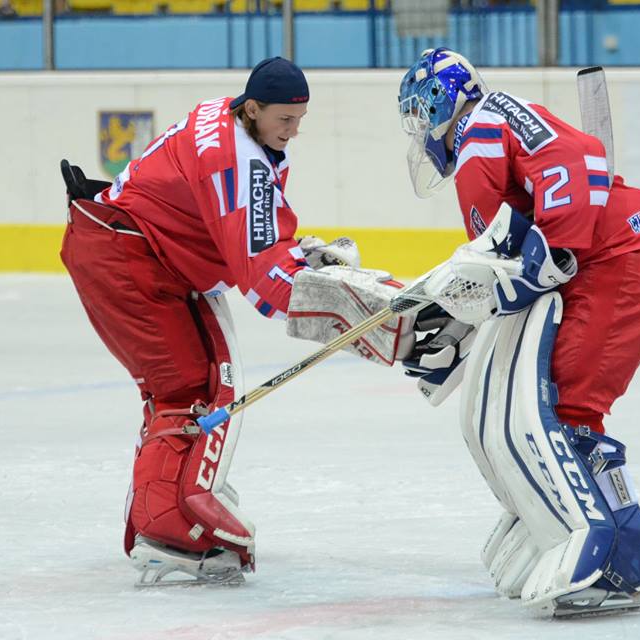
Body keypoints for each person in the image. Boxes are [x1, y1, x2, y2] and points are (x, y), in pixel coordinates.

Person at [60, 56, 412, 587]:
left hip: (133, 251)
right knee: (188, 389)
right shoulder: (236, 159)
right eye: (285, 120)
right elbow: (264, 279)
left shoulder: (228, 121)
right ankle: (169, 531)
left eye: (300, 119)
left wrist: (301, 259)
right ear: (252, 108)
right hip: (128, 258)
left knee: (193, 382)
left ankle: (168, 505)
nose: (295, 131)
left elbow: (247, 234)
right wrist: (362, 311)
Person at [397, 48, 640, 617]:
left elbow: (577, 158)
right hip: (623, 263)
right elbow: (510, 255)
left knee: (567, 410)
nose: (420, 129)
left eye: (418, 112)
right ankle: (588, 529)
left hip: (623, 265)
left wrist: (558, 246)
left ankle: (619, 560)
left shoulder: (479, 130)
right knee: (555, 401)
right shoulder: (492, 124)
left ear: (438, 101)